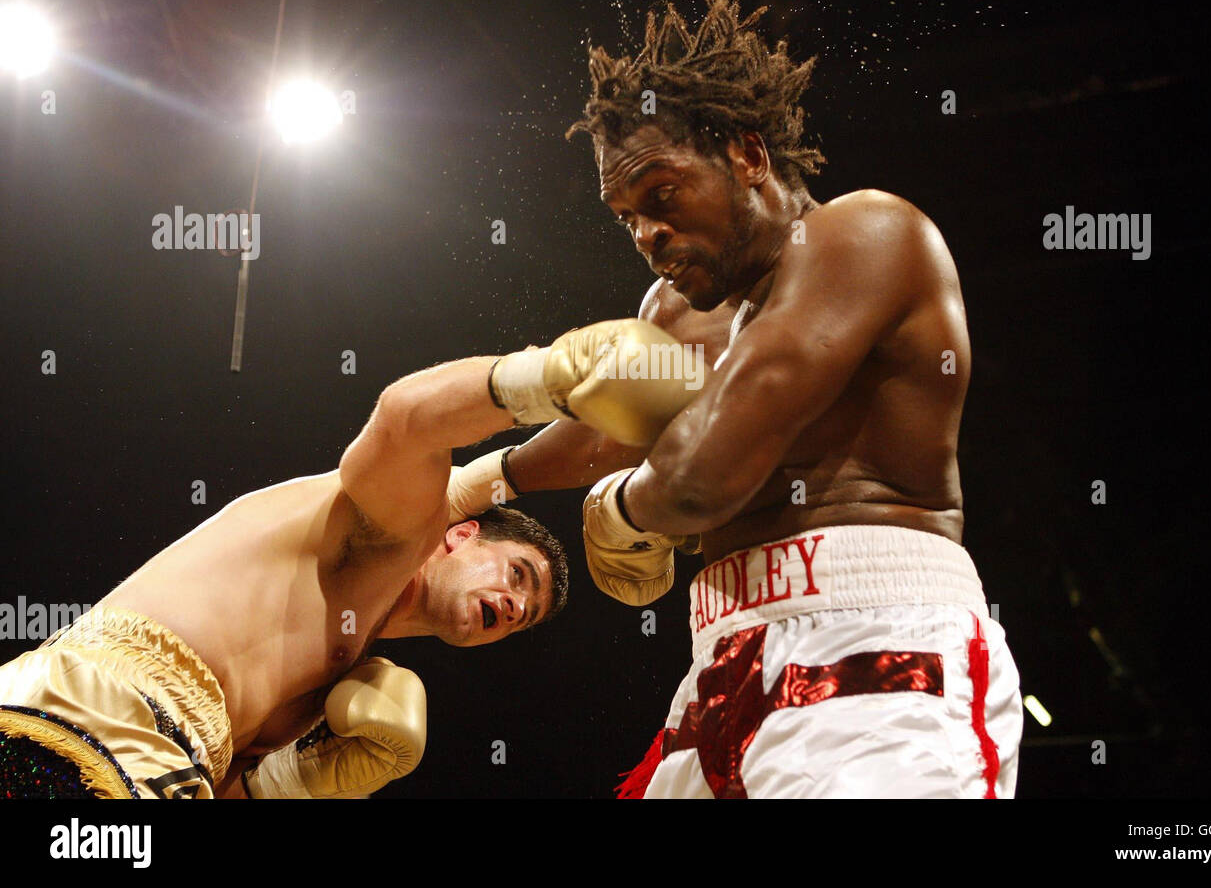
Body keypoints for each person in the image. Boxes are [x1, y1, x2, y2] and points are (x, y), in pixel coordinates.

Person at [449, 0, 1023, 798]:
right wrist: (475, 484)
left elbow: (694, 478)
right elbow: (613, 428)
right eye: (626, 217)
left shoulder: (864, 235)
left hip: (878, 640)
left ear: (748, 156)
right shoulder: (677, 310)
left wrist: (621, 513)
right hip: (722, 657)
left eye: (663, 196)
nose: (648, 234)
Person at [0, 319, 693, 798]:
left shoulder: (340, 688)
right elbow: (405, 419)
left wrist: (298, 784)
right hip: (89, 717)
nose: (513, 605)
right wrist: (552, 374)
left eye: (523, 616)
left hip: (155, 765)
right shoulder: (391, 529)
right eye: (518, 574)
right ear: (460, 536)